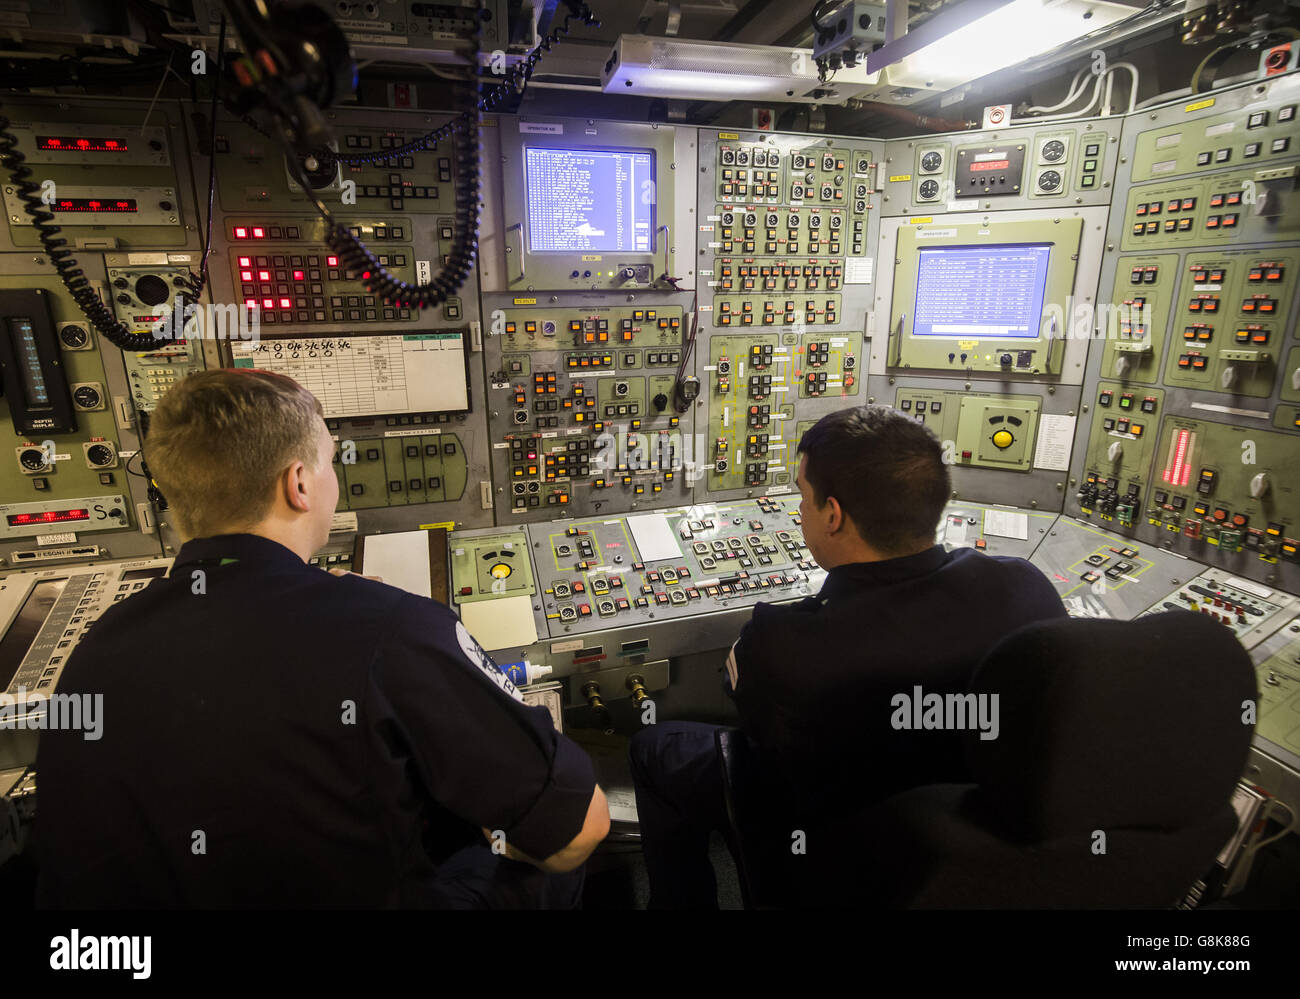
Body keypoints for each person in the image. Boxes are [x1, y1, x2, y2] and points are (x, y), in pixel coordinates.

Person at [35, 369, 609, 908]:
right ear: (301, 484)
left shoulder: (98, 648)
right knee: (549, 864)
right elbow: (574, 835)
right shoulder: (392, 632)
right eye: (331, 460)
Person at [629, 405, 1068, 907]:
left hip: (836, 852)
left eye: (802, 496)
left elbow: (743, 698)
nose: (799, 510)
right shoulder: (1025, 586)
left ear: (833, 515)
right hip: (969, 834)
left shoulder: (783, 646)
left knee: (655, 747)